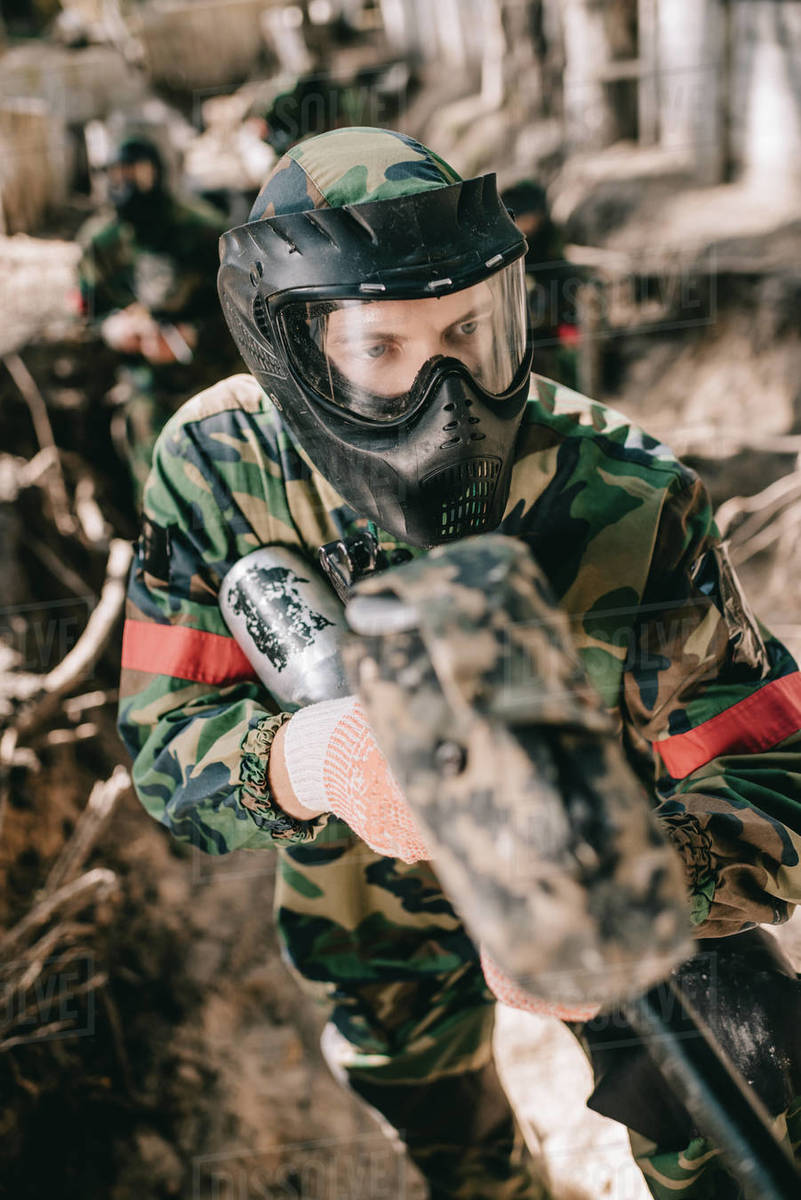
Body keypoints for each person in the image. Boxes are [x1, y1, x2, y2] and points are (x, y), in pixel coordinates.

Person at [118, 127, 801, 1198]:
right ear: (288, 345)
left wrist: (630, 891)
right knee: (443, 1130)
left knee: (747, 1090)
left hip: (613, 878)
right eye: (381, 348)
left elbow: (774, 761)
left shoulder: (625, 495)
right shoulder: (219, 467)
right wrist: (321, 757)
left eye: (470, 332)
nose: (449, 394)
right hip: (365, 902)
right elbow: (163, 752)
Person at [76, 134, 232, 505]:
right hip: (143, 383)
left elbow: (245, 309)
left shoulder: (202, 229)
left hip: (210, 374)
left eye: (137, 173)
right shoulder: (100, 241)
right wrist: (113, 331)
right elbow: (85, 319)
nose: (126, 184)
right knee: (152, 467)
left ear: (158, 173)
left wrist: (191, 336)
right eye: (118, 174)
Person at [500, 179, 584, 390]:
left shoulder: (548, 240)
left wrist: (567, 325)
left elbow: (562, 278)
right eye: (522, 219)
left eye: (531, 218)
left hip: (549, 331)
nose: (528, 224)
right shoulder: (503, 241)